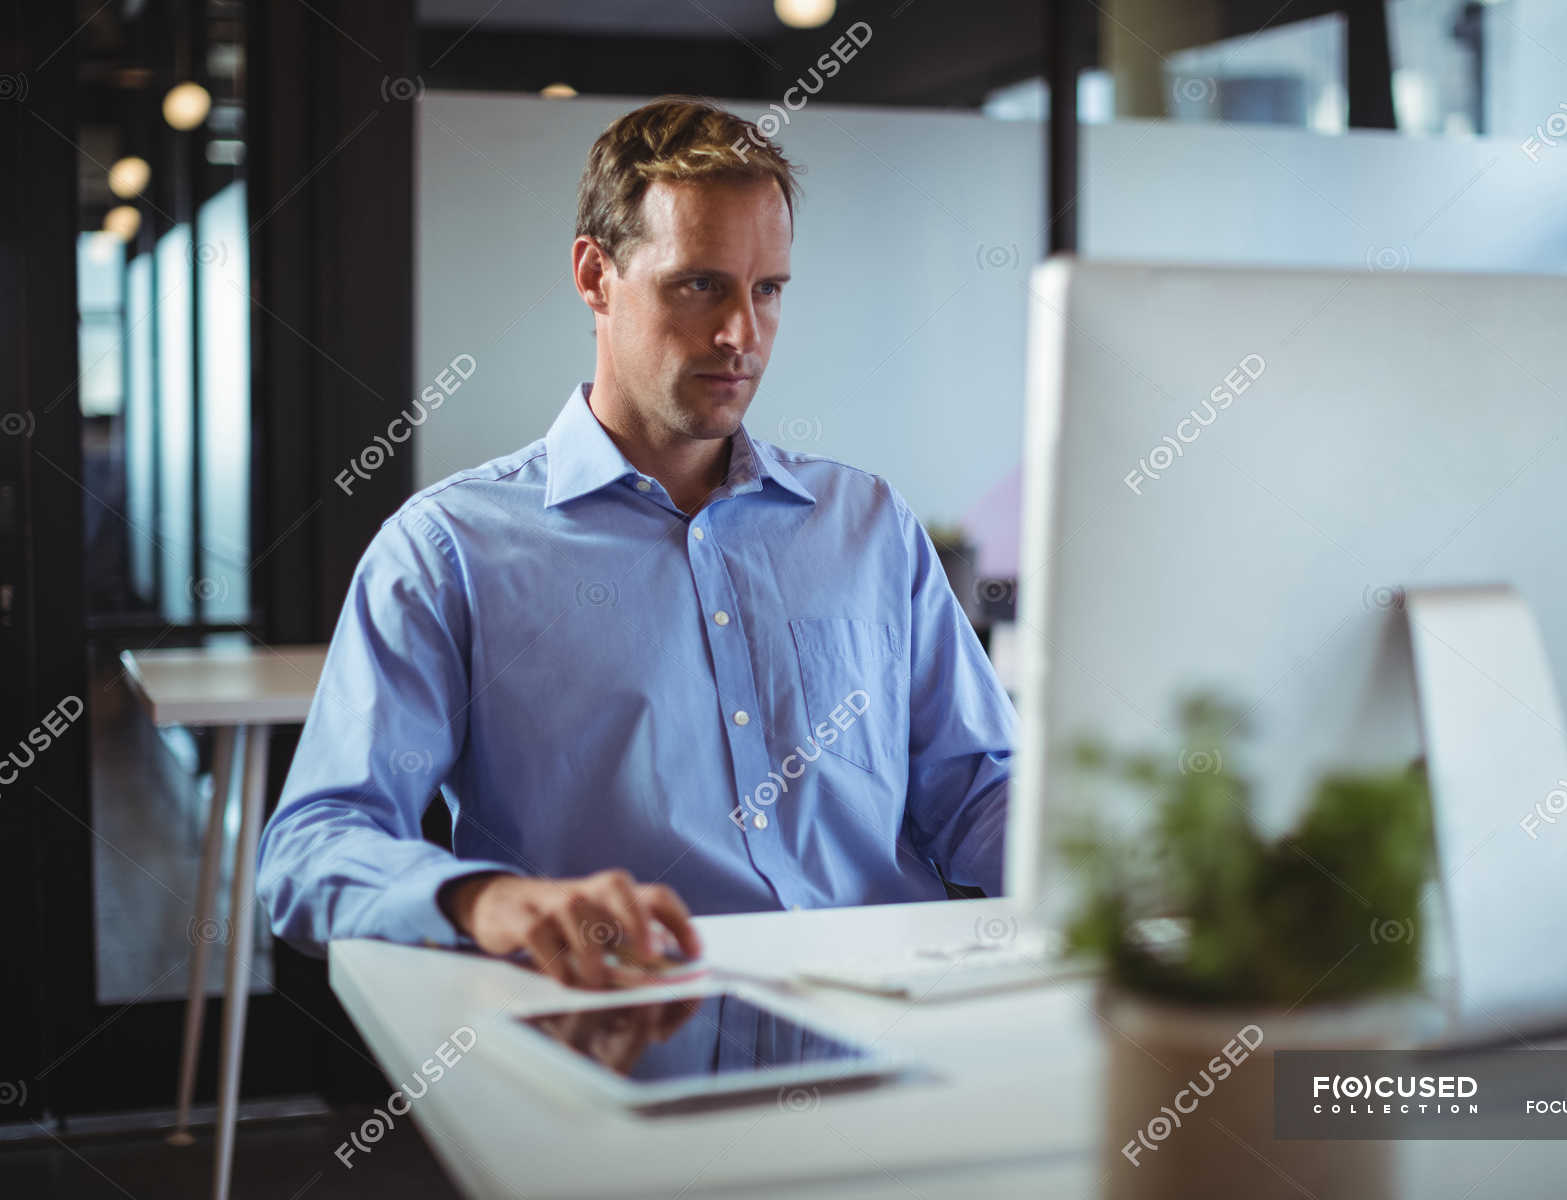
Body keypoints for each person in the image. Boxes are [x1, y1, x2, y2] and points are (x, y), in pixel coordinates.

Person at [255, 96, 1014, 990]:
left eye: (767, 290)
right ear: (595, 275)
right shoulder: (449, 551)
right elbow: (311, 850)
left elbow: (977, 795)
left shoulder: (868, 524)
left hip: (902, 1016)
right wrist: (486, 901)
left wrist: (1128, 858)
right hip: (631, 1025)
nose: (741, 335)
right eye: (699, 285)